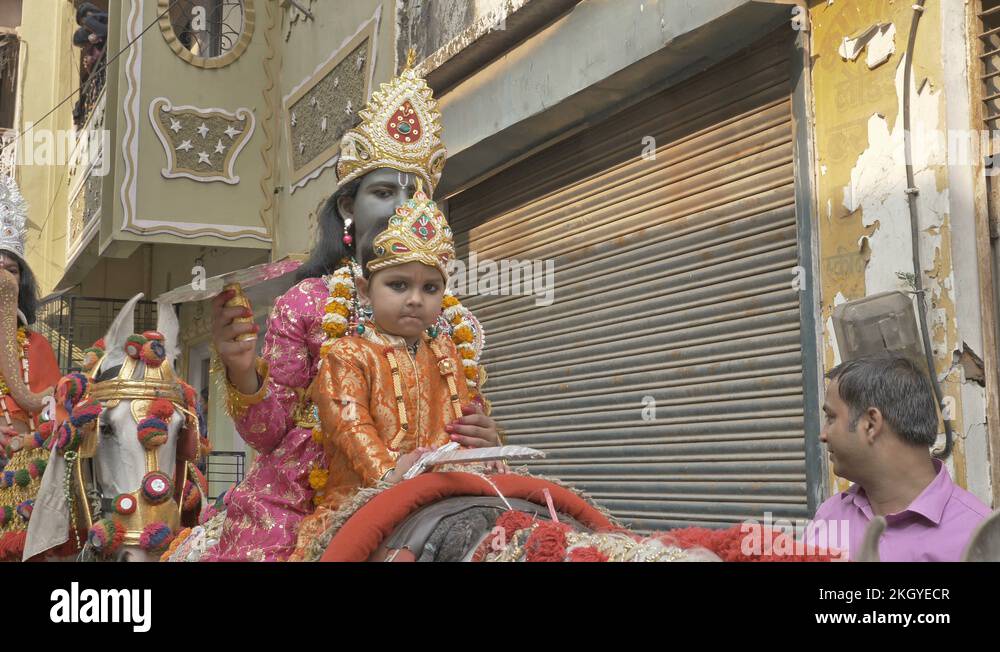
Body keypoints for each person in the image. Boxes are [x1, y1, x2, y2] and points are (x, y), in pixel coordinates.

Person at [201, 53, 500, 561]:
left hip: (428, 488)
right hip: (306, 495)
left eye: (417, 192)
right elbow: (269, 433)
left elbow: (465, 420)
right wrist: (242, 370)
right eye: (383, 191)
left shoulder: (455, 321)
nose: (402, 206)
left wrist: (487, 437)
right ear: (348, 206)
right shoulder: (309, 303)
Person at [809, 353, 990, 561]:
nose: (823, 435)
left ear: (870, 424)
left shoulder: (978, 537)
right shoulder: (830, 515)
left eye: (831, 418)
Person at [0, 177, 61, 560]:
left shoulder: (36, 346)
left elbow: (54, 411)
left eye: (12, 270)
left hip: (23, 485)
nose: (4, 279)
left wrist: (29, 440)